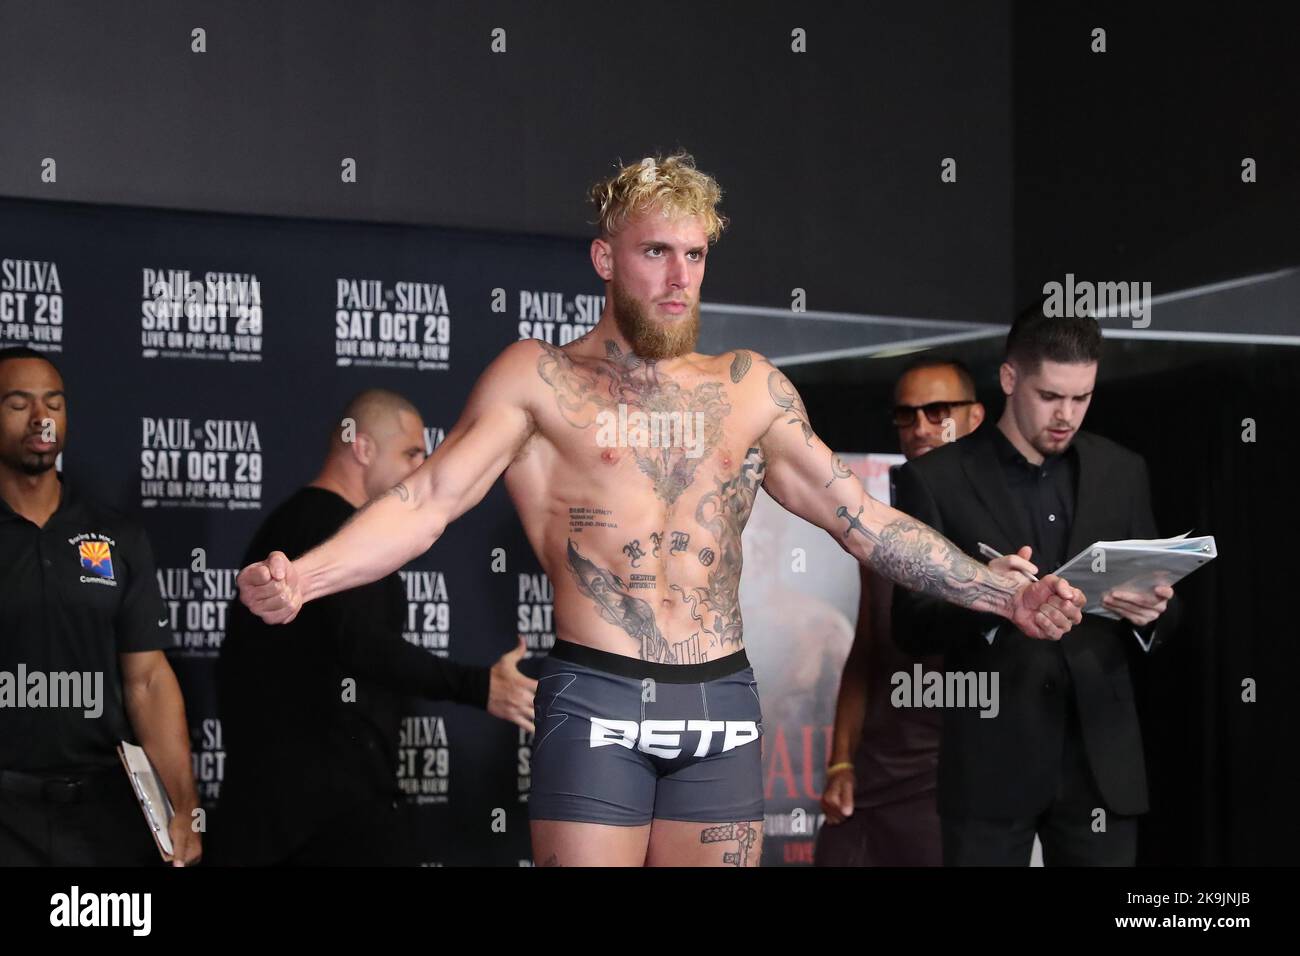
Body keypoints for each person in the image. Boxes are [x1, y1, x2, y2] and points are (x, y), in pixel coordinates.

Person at [237, 153, 1084, 867]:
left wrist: (1000, 592)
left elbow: (857, 516)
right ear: (605, 259)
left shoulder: (747, 387)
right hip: (596, 701)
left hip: (720, 703)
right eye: (656, 253)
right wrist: (305, 577)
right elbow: (426, 501)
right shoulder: (539, 379)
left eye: (695, 254)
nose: (680, 279)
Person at [891, 312, 1181, 866]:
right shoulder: (936, 481)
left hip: (1102, 761)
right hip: (990, 764)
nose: (1066, 415)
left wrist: (1152, 613)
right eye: (1050, 396)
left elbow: (1168, 608)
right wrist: (985, 596)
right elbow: (908, 626)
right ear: (1008, 380)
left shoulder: (1123, 470)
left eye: (1082, 397)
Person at [215, 389, 536, 865]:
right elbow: (362, 644)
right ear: (361, 448)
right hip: (324, 815)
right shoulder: (334, 534)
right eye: (411, 453)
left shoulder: (297, 521)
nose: (420, 469)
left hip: (293, 808)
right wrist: (477, 685)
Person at [0, 346, 202, 866]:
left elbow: (149, 680)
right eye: (19, 404)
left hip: (101, 812)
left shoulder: (118, 537)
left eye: (54, 403)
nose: (41, 418)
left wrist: (182, 806)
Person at [816, 357, 986, 866]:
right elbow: (866, 650)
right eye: (907, 415)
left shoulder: (999, 519)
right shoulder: (882, 527)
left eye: (938, 412)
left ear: (974, 417)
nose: (921, 427)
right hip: (875, 772)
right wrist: (841, 761)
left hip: (956, 776)